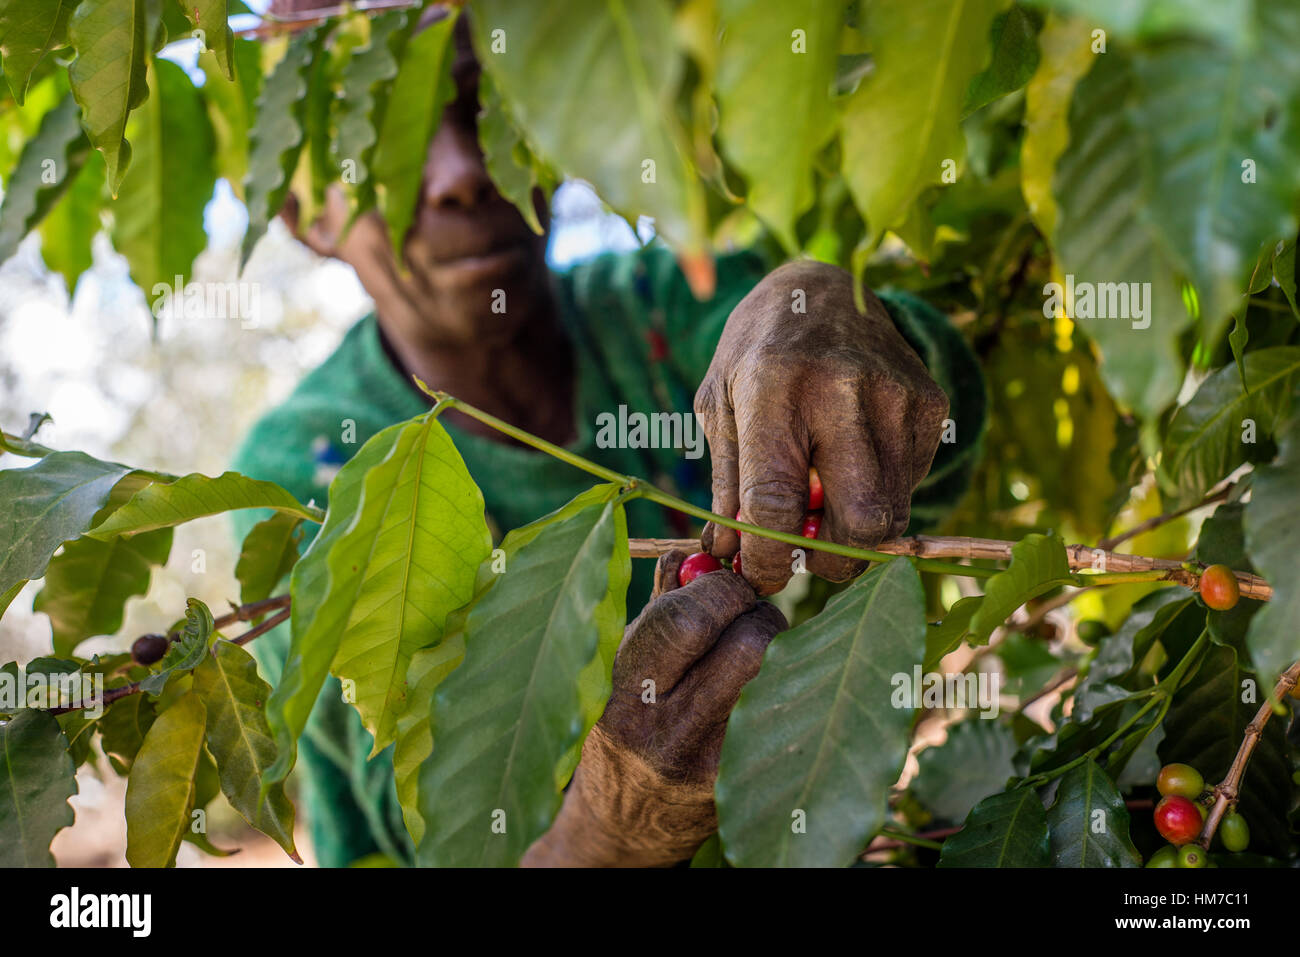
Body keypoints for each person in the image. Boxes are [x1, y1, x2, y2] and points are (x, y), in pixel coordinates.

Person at [233, 6, 986, 867]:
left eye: (481, 112)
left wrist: (826, 306)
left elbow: (938, 407)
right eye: (389, 143)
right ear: (305, 215)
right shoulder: (309, 471)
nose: (457, 178)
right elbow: (452, 841)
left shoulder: (661, 309)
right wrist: (612, 830)